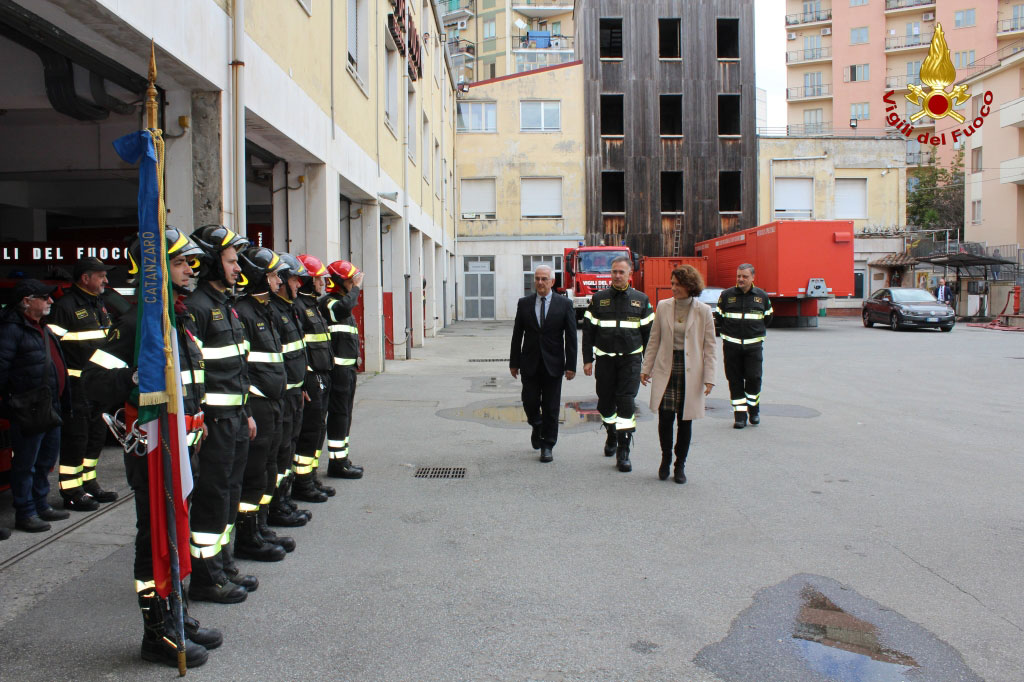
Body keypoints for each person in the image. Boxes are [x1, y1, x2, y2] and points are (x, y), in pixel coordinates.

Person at [85, 228, 220, 667]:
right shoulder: (135, 325)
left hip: (183, 453)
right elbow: (92, 383)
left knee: (178, 534)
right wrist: (132, 380)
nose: (190, 269)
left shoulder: (174, 319)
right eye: (180, 263)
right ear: (155, 270)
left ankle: (177, 615)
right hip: (154, 455)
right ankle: (156, 631)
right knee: (155, 540)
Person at [185, 225, 256, 603]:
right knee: (213, 497)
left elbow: (237, 369)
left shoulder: (223, 305)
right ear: (213, 262)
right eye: (230, 260)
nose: (237, 267)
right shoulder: (197, 308)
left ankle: (224, 565)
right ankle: (205, 577)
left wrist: (245, 412)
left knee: (229, 493)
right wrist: (200, 422)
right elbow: (195, 377)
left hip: (234, 419)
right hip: (213, 423)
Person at [233, 248, 292, 562]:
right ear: (257, 276)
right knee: (254, 472)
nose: (278, 280)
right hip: (256, 403)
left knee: (269, 466)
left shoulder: (264, 310)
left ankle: (260, 525)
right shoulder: (242, 312)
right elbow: (239, 365)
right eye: (272, 275)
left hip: (273, 401)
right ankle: (247, 536)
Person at [0, 279, 71, 534]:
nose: (50, 301)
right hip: (28, 407)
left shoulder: (42, 327)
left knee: (46, 460)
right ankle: (26, 512)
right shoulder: (11, 329)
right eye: (45, 297)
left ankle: (40, 504)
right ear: (27, 302)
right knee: (26, 463)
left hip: (49, 405)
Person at [46, 257, 117, 510]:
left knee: (96, 437)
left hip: (98, 385)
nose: (106, 280)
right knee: (76, 438)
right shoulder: (65, 306)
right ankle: (71, 490)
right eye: (101, 276)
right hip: (76, 386)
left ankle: (89, 484)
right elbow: (51, 348)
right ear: (85, 278)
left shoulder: (99, 304)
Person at [640, 266, 717, 484]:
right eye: (672, 283)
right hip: (667, 367)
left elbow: (710, 347)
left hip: (691, 371)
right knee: (665, 418)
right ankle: (665, 459)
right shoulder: (663, 307)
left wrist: (710, 377)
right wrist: (646, 368)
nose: (673, 288)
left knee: (685, 420)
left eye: (677, 284)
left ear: (689, 286)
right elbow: (653, 340)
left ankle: (680, 465)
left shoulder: (703, 311)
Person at [581, 255, 654, 472]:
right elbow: (588, 333)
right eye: (614, 272)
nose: (617, 275)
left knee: (626, 403)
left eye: (622, 272)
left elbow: (650, 336)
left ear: (630, 274)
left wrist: (648, 365)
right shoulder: (598, 299)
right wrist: (587, 360)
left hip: (630, 362)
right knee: (605, 404)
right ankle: (611, 433)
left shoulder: (641, 300)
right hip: (605, 361)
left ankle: (623, 450)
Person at [509, 265, 577, 463]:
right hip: (529, 362)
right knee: (529, 401)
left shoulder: (564, 304)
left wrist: (571, 365)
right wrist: (514, 363)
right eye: (537, 278)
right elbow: (517, 335)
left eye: (544, 279)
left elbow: (571, 337)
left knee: (551, 406)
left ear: (552, 282)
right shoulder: (524, 304)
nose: (540, 282)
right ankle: (537, 425)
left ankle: (547, 445)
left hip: (553, 364)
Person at [292, 254, 336, 498]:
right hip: (311, 377)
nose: (323, 284)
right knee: (309, 431)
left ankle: (310, 476)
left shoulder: (312, 306)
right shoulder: (299, 307)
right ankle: (302, 483)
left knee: (318, 429)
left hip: (322, 375)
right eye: (319, 279)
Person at [320, 260, 365, 479]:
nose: (354, 284)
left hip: (347, 372)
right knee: (338, 416)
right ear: (339, 282)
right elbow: (345, 307)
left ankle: (342, 459)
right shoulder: (329, 303)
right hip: (336, 372)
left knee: (345, 415)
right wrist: (356, 288)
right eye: (350, 280)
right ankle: (337, 464)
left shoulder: (341, 302)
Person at [715, 264, 773, 429]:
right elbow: (720, 317)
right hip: (731, 346)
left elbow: (768, 317)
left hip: (753, 347)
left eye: (744, 277)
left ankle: (754, 410)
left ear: (753, 278)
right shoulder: (726, 295)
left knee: (754, 378)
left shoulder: (761, 296)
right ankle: (740, 416)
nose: (740, 279)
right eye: (739, 276)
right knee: (734, 380)